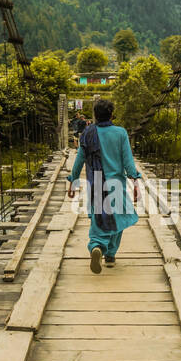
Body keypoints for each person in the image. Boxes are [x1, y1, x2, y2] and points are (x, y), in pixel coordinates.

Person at [67, 99, 141, 271]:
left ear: (95, 116)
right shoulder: (121, 133)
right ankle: (110, 255)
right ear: (111, 115)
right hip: (116, 184)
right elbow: (128, 161)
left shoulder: (87, 133)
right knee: (118, 218)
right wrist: (135, 180)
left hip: (96, 184)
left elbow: (79, 161)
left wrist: (73, 181)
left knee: (98, 217)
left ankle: (96, 246)